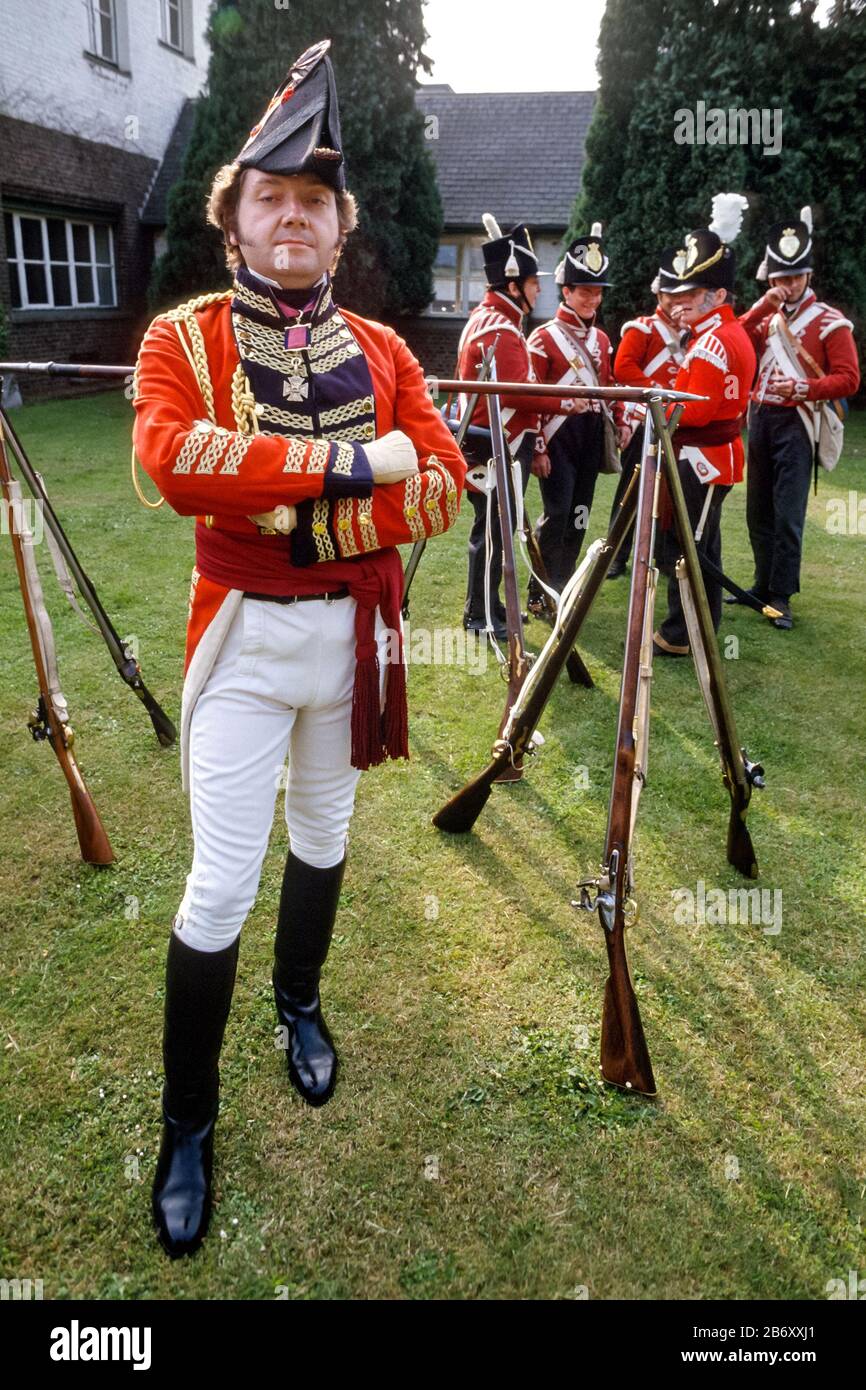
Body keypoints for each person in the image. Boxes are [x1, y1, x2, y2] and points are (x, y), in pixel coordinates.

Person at [131, 40, 466, 1258]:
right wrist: (351, 462)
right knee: (219, 883)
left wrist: (299, 510)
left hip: (353, 639)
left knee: (323, 837)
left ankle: (300, 1002)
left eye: (313, 203)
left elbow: (442, 482)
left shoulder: (385, 352)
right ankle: (186, 1124)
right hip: (242, 641)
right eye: (269, 198)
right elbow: (175, 461)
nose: (292, 217)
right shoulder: (181, 341)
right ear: (233, 223)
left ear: (338, 231)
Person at [733, 207, 859, 628]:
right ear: (770, 279)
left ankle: (781, 595)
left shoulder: (829, 322)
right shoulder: (765, 317)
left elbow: (849, 379)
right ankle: (761, 584)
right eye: (781, 278)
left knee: (787, 513)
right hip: (761, 417)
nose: (788, 286)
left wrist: (804, 388)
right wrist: (759, 308)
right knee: (758, 509)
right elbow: (734, 338)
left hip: (797, 422)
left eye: (795, 277)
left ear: (808, 276)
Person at [651, 194, 757, 657]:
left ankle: (682, 633)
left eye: (690, 296)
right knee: (701, 543)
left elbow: (695, 411)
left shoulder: (713, 341)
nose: (678, 304)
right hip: (709, 459)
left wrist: (657, 407)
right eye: (677, 296)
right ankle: (699, 625)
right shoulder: (720, 334)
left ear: (717, 296)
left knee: (690, 547)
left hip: (702, 459)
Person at [526, 224, 632, 604]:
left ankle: (565, 583)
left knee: (580, 514)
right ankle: (540, 590)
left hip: (590, 436)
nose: (593, 299)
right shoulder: (543, 337)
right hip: (558, 438)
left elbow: (609, 385)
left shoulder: (601, 339)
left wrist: (621, 420)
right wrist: (538, 447)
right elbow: (532, 397)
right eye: (585, 291)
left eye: (597, 291)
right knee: (557, 514)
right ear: (566, 291)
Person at [458, 216, 550, 640]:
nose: (538, 290)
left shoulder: (495, 321)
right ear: (513, 286)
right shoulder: (501, 329)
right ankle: (479, 614)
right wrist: (567, 400)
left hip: (496, 444)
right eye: (532, 283)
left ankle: (490, 605)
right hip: (498, 446)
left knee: (496, 530)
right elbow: (519, 393)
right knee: (493, 532)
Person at [606, 255, 688, 579]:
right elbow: (623, 368)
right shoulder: (643, 328)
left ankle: (665, 556)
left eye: (683, 295)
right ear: (659, 294)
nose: (677, 302)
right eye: (671, 295)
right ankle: (615, 555)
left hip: (677, 422)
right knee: (631, 489)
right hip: (647, 420)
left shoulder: (694, 333)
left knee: (670, 493)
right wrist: (660, 393)